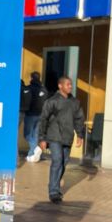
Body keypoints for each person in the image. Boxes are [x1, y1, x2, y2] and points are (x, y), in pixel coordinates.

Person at [38, 75, 86, 203]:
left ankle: (55, 184)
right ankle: (54, 192)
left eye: (71, 84)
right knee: (57, 161)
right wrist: (42, 138)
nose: (70, 87)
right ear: (60, 86)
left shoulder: (75, 102)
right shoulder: (52, 101)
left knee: (64, 164)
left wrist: (80, 135)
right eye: (67, 84)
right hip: (54, 136)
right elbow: (43, 119)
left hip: (68, 137)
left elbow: (79, 119)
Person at [22, 71, 48, 162]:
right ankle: (32, 154)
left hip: (30, 114)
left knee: (27, 135)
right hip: (41, 115)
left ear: (31, 78)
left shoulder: (29, 88)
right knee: (35, 135)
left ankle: (36, 149)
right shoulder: (44, 89)